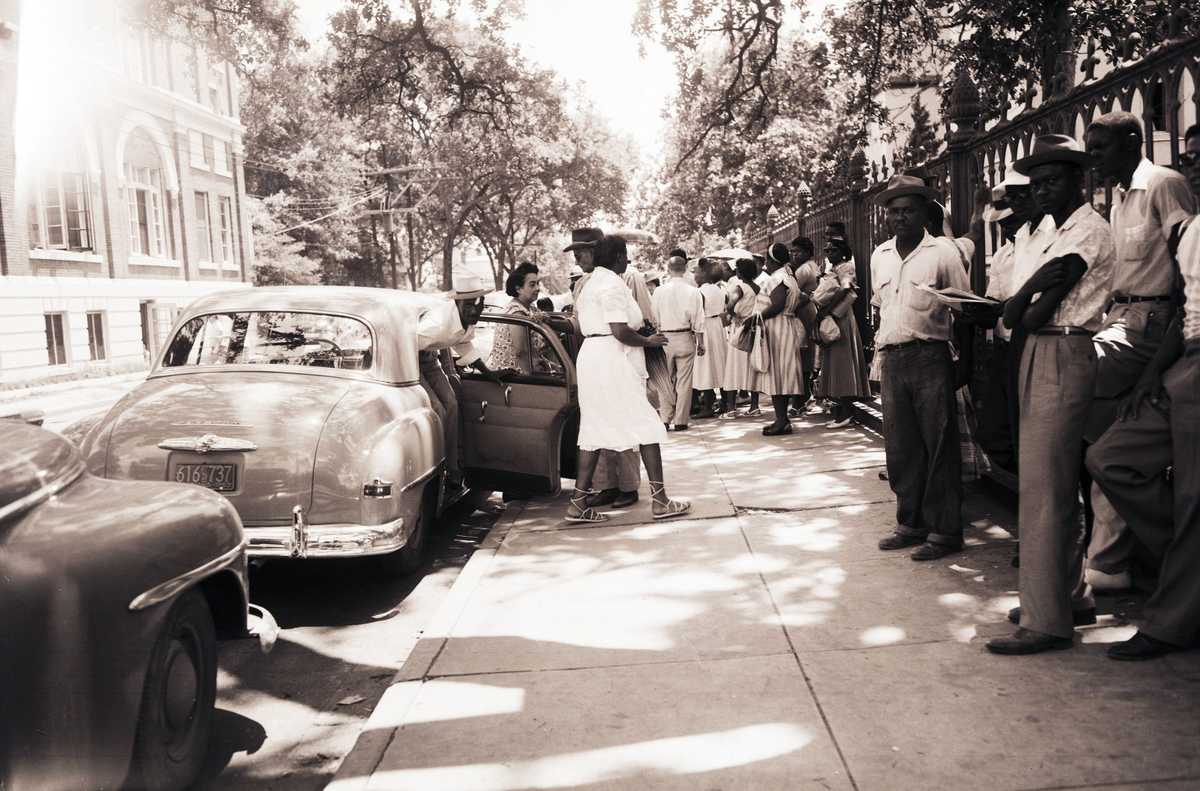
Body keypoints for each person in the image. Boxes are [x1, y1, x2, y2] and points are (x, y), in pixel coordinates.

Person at [986, 135, 1115, 656]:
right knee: (1054, 481)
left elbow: (1032, 314)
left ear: (1077, 180)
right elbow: (1018, 312)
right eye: (1035, 183)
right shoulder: (1045, 231)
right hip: (1039, 350)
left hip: (1063, 349)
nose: (1041, 191)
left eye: (1052, 181)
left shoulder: (1086, 230)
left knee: (1045, 487)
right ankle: (1068, 596)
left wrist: (1023, 300)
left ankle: (1046, 620)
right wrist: (1026, 292)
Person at [1085, 124, 1200, 660]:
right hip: (1150, 335)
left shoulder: (1164, 187)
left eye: (1100, 145)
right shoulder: (1123, 202)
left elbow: (1176, 290)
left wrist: (1158, 359)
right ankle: (1121, 556)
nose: (1092, 156)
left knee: (1073, 381)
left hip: (1159, 332)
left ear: (1132, 145)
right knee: (1105, 452)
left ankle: (1162, 603)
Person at [871, 174, 970, 562]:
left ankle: (945, 532)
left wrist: (966, 363)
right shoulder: (880, 255)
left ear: (924, 211)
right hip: (893, 358)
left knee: (939, 446)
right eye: (894, 212)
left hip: (930, 356)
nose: (900, 218)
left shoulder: (942, 253)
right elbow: (879, 310)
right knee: (900, 447)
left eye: (908, 210)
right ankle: (909, 523)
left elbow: (964, 309)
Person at [566, 235, 690, 523]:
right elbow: (620, 330)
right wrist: (650, 341)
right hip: (612, 357)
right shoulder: (610, 284)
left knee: (593, 430)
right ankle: (660, 501)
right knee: (646, 424)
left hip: (594, 357)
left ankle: (578, 504)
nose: (627, 260)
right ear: (619, 257)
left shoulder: (591, 283)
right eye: (625, 255)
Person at [959, 174, 1037, 474]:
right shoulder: (1004, 253)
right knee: (993, 430)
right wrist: (975, 310)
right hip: (1005, 346)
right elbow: (994, 301)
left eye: (1011, 223)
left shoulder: (1038, 246)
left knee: (1027, 427)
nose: (1006, 230)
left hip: (1031, 342)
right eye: (1002, 225)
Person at [415, 272, 509, 490]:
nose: (475, 309)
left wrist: (489, 373)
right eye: (470, 304)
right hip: (410, 356)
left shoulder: (467, 319)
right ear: (458, 304)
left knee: (452, 404)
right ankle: (438, 469)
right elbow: (406, 343)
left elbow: (464, 345)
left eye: (480, 303)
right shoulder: (437, 324)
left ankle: (451, 464)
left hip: (429, 356)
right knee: (436, 408)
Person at [813, 233, 870, 428]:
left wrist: (827, 310)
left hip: (841, 317)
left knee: (843, 362)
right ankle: (842, 408)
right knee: (835, 362)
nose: (829, 253)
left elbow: (846, 288)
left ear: (843, 252)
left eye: (833, 250)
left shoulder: (846, 267)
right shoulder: (833, 269)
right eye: (827, 250)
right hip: (834, 316)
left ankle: (846, 412)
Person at [754, 243, 806, 435]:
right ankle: (782, 418)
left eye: (767, 259)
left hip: (778, 328)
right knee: (782, 374)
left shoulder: (778, 278)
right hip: (786, 325)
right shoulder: (789, 277)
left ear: (771, 260)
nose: (765, 263)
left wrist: (757, 317)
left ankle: (782, 420)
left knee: (778, 374)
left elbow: (777, 305)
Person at [651, 253, 706, 430]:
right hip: (685, 337)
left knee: (664, 380)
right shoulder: (693, 291)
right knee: (684, 382)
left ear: (668, 269)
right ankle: (681, 420)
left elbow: (654, 316)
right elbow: (698, 319)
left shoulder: (659, 291)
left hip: (664, 338)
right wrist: (701, 342)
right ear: (685, 270)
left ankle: (665, 419)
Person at [721, 258, 762, 419]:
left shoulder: (740, 287)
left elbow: (730, 306)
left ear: (740, 272)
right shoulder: (757, 287)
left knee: (732, 367)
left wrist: (734, 316)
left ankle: (731, 409)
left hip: (739, 328)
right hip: (753, 327)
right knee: (752, 366)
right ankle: (754, 406)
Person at [490, 262, 542, 375]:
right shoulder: (517, 312)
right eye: (532, 285)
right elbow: (521, 352)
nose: (538, 288)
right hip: (513, 378)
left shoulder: (530, 309)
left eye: (538, 283)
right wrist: (532, 380)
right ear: (519, 289)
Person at [692, 259, 729, 417]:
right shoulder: (719, 290)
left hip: (705, 326)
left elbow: (698, 315)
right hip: (718, 326)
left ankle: (707, 407)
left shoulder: (700, 292)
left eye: (697, 272)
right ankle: (726, 402)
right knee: (720, 363)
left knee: (705, 365)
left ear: (704, 274)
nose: (695, 275)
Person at [789, 236, 820, 416]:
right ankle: (804, 397)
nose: (794, 255)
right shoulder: (813, 266)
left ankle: (799, 400)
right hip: (808, 311)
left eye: (797, 252)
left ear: (807, 252)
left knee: (801, 357)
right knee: (805, 357)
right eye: (792, 252)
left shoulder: (804, 269)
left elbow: (792, 292)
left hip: (802, 312)